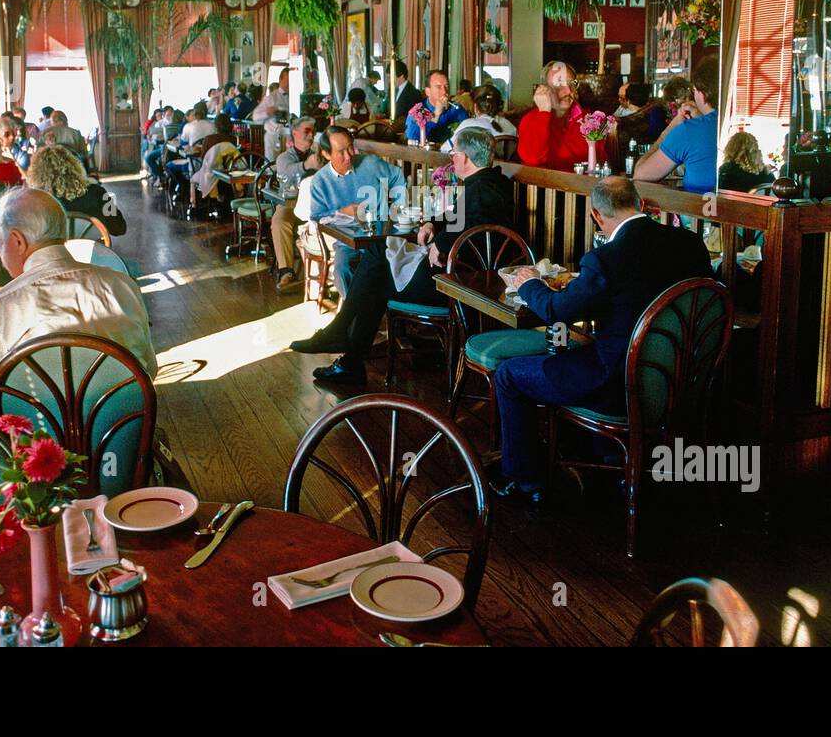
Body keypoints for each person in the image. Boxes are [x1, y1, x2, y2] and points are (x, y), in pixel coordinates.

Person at [489, 177, 713, 505]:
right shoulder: (690, 244)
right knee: (581, 350)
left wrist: (529, 283)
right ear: (641, 205)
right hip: (683, 380)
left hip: (619, 387)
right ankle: (609, 458)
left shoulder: (606, 259)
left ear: (596, 215)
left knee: (509, 375)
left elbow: (555, 311)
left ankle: (523, 480)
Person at [291, 128, 514, 385]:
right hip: (461, 274)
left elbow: (469, 228)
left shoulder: (481, 190)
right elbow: (464, 219)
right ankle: (346, 352)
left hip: (458, 285)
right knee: (377, 265)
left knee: (376, 264)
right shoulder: (490, 184)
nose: (452, 160)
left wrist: (440, 243)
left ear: (464, 158)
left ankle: (343, 339)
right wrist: (433, 224)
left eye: (454, 155)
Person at [0, 188, 155, 387]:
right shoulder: (123, 285)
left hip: (40, 418)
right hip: (128, 416)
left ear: (18, 241)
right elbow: (149, 371)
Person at [303, 125, 406, 297]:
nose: (349, 156)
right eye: (341, 152)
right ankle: (357, 318)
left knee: (397, 266)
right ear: (327, 154)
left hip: (381, 237)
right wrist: (342, 211)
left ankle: (387, 313)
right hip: (347, 243)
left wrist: (395, 209)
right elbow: (317, 219)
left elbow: (397, 176)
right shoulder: (320, 182)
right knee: (342, 270)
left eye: (350, 147)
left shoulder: (370, 164)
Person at [634, 57, 719, 194]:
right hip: (743, 212)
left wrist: (672, 126)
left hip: (700, 212)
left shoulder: (688, 131)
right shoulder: (738, 124)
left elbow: (641, 174)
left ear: (702, 95)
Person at [517, 61, 604, 171]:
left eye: (572, 84)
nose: (568, 91)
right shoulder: (531, 120)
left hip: (585, 186)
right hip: (549, 186)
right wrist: (544, 113)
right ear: (544, 89)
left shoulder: (589, 121)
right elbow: (532, 159)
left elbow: (602, 162)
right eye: (559, 84)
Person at [26, 144, 127, 237]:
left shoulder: (36, 202)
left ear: (36, 174)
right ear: (75, 166)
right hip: (92, 254)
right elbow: (119, 228)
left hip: (54, 255)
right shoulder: (97, 192)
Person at [271, 117, 318, 290]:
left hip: (315, 206)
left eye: (313, 131)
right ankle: (286, 272)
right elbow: (286, 171)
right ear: (295, 133)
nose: (311, 135)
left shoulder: (318, 155)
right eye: (307, 131)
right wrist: (307, 165)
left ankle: (320, 273)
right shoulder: (284, 157)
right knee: (279, 221)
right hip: (290, 205)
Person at [404, 70, 468, 145]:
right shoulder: (420, 110)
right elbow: (413, 139)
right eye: (438, 87)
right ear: (428, 91)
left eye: (446, 86)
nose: (444, 91)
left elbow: (467, 134)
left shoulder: (456, 109)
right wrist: (436, 114)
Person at [449, 85, 517, 144]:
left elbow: (445, 149)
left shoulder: (468, 125)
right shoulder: (511, 127)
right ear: (499, 106)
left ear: (475, 106)